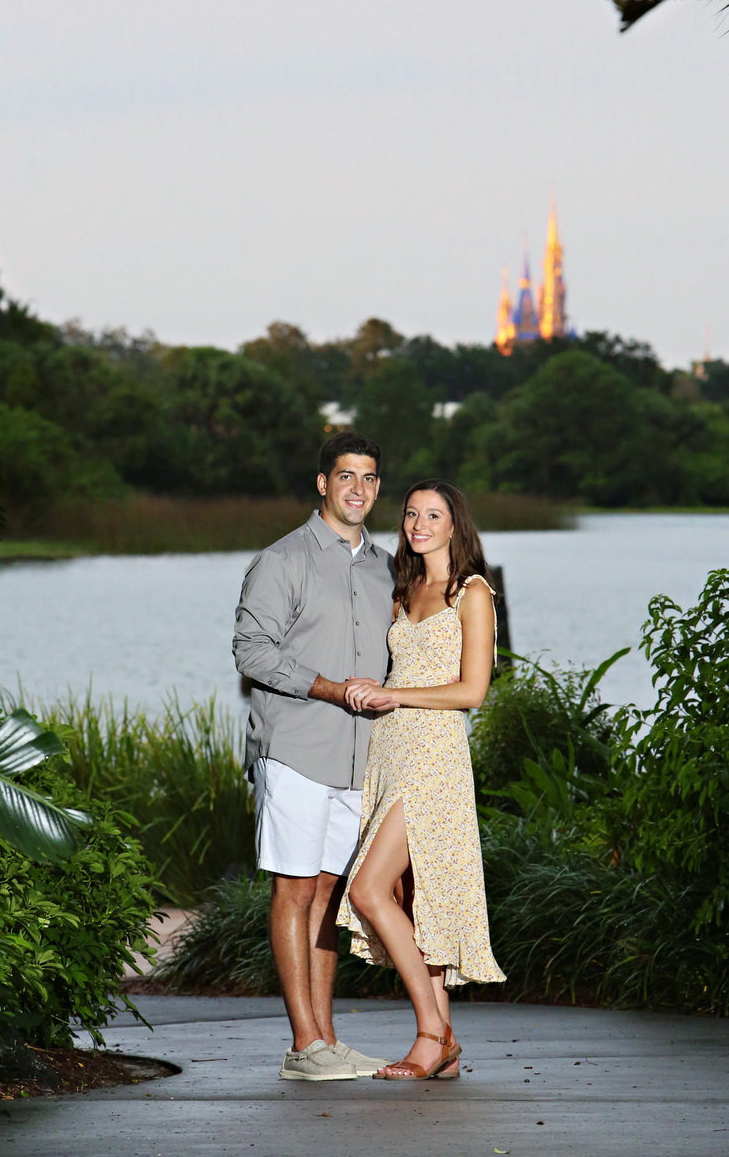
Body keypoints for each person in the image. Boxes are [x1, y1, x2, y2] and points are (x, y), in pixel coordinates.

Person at [233, 432, 395, 1081]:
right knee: (295, 889)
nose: (359, 488)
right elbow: (253, 652)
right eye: (345, 476)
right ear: (322, 484)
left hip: (359, 761)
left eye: (370, 478)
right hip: (297, 749)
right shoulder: (283, 561)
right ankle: (304, 1046)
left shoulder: (388, 565)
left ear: (378, 488)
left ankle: (326, 1037)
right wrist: (331, 687)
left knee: (330, 894)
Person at [336, 479, 506, 1081]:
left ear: (456, 523)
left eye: (432, 514)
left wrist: (393, 695)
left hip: (434, 758)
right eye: (410, 514)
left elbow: (473, 692)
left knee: (368, 891)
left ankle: (430, 1036)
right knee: (416, 899)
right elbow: (392, 668)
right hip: (390, 752)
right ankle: (445, 1041)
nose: (418, 524)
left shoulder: (473, 592)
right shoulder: (404, 588)